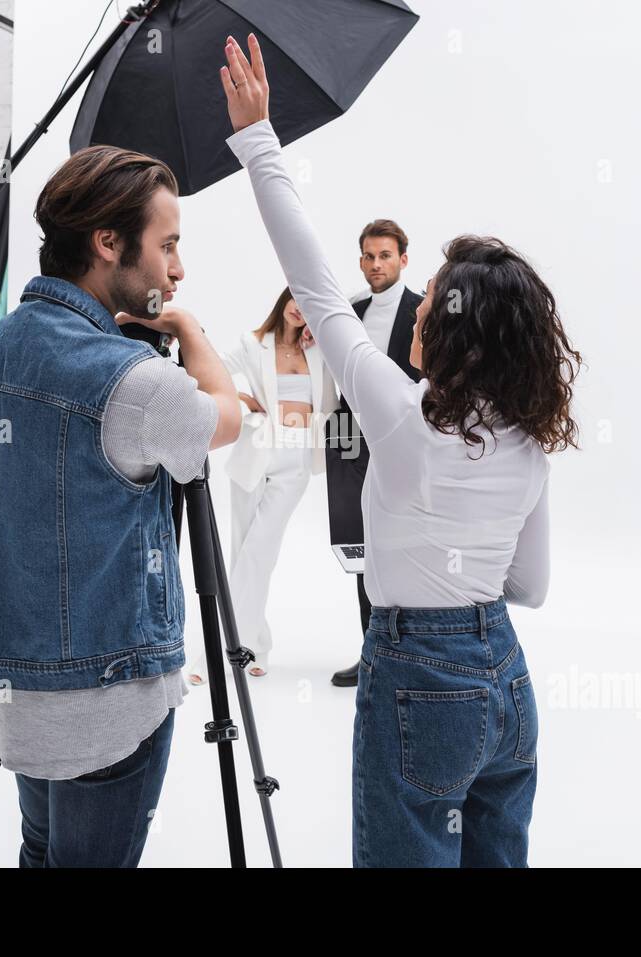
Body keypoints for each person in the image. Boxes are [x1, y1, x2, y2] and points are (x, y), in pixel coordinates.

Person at [219, 34, 582, 867]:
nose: (412, 314)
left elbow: (312, 282)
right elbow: (528, 587)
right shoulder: (529, 436)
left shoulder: (402, 412)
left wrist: (257, 138)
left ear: (447, 331)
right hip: (508, 683)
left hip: (419, 675)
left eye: (427, 309)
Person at [0, 143, 242, 867]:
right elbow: (224, 418)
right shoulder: (134, 381)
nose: (177, 269)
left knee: (40, 853)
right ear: (109, 242)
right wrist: (190, 330)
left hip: (18, 703)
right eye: (167, 245)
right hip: (108, 710)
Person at [186, 289, 339, 683]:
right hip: (257, 451)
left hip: (298, 455)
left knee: (260, 552)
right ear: (283, 300)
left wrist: (325, 335)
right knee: (242, 552)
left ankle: (223, 652)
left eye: (308, 305)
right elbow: (205, 369)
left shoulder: (320, 351)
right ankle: (255, 645)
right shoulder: (252, 344)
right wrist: (238, 396)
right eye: (294, 299)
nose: (298, 308)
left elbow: (341, 393)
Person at [326, 220, 423, 688]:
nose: (375, 264)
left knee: (406, 545)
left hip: (404, 442)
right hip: (351, 443)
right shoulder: (350, 309)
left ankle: (413, 655)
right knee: (360, 547)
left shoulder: (425, 310)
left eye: (384, 255)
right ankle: (372, 656)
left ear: (403, 259)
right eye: (368, 255)